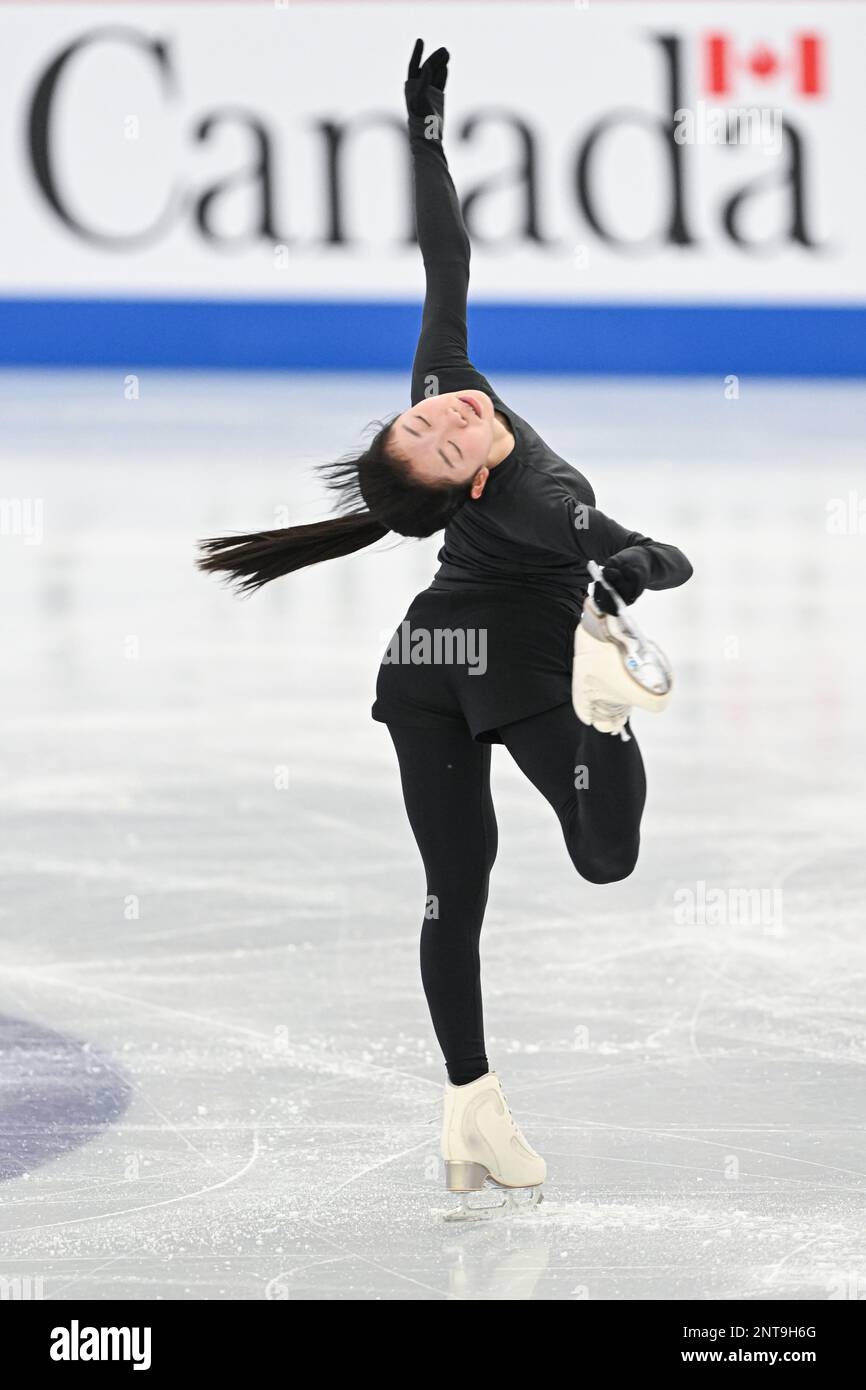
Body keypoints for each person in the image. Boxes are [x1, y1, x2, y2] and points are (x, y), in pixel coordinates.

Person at [198, 41, 693, 1212]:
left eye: (427, 420)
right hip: (499, 663)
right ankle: (606, 715)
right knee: (589, 857)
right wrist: (622, 562)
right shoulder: (537, 498)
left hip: (427, 658)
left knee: (462, 888)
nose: (451, 413)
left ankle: (468, 1111)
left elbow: (444, 254)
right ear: (463, 488)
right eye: (442, 442)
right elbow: (664, 556)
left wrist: (423, 129)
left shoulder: (441, 386)